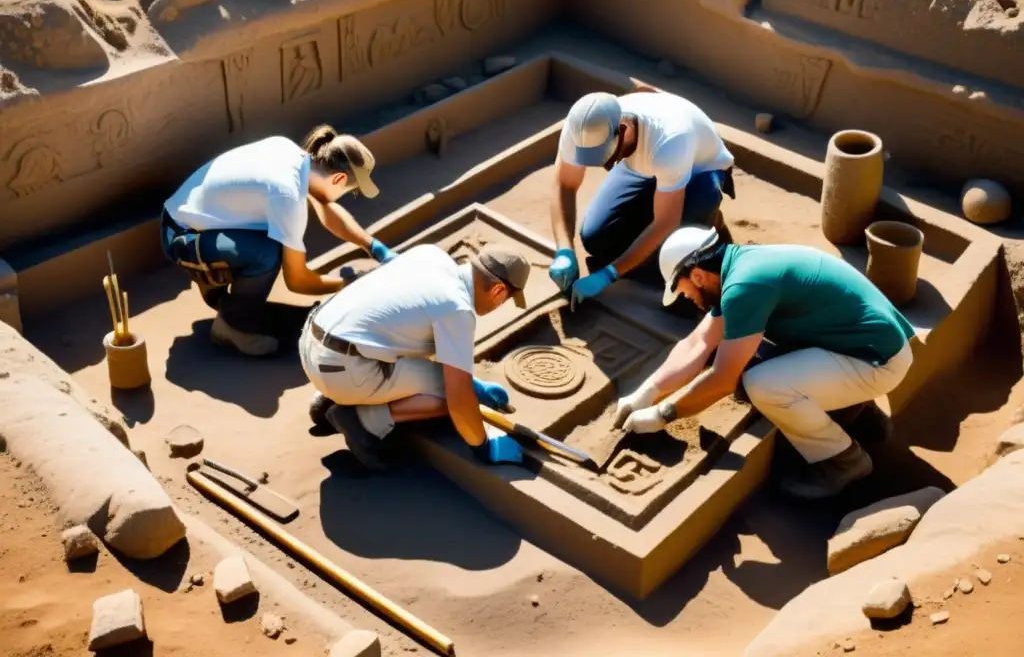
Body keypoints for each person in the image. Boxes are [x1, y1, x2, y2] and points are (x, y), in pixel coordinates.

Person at [613, 225, 916, 500]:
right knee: (754, 360)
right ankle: (862, 416)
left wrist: (663, 414)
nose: (686, 298)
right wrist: (646, 393)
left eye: (682, 290)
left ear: (697, 275)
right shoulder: (741, 266)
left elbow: (722, 380)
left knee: (762, 384)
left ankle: (843, 461)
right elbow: (697, 343)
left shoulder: (746, 287)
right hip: (866, 344)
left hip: (877, 361)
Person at [161, 125, 396, 357]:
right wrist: (345, 285)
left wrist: (373, 246)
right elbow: (297, 280)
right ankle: (232, 326)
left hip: (187, 219)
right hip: (183, 238)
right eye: (348, 191)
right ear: (339, 179)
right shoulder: (287, 195)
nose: (342, 198)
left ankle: (217, 284)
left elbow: (326, 208)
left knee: (272, 239)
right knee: (268, 252)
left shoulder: (289, 153)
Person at [299, 243, 531, 471]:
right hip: (342, 369)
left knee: (394, 340)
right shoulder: (457, 310)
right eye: (506, 299)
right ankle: (362, 419)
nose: (501, 305)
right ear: (498, 290)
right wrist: (484, 446)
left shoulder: (430, 255)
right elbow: (459, 400)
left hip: (311, 344)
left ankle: (329, 396)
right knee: (452, 396)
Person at [548, 86, 736, 309]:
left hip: (700, 170)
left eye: (606, 157)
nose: (604, 165)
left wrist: (609, 274)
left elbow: (666, 222)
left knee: (676, 261)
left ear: (623, 130)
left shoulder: (670, 141)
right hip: (642, 165)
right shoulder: (580, 129)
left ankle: (710, 219)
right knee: (595, 238)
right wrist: (564, 250)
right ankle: (659, 199)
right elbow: (564, 185)